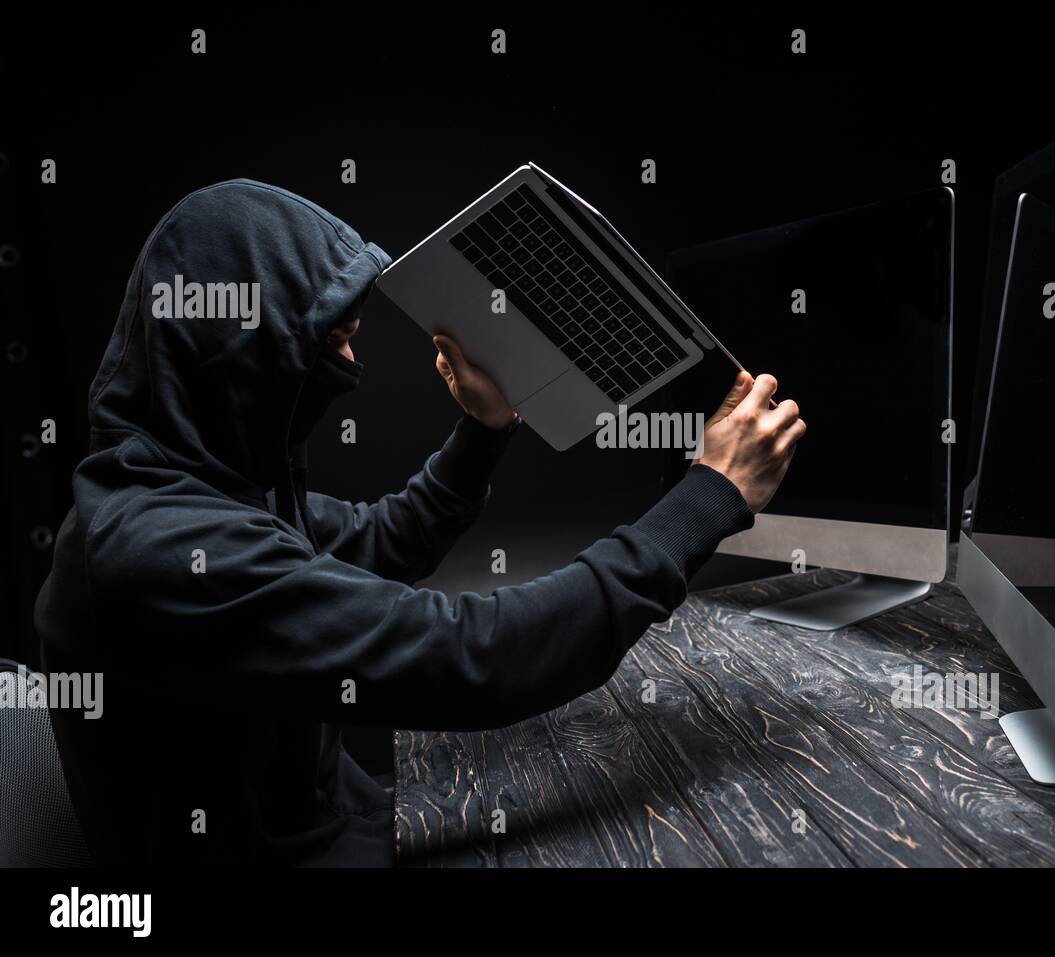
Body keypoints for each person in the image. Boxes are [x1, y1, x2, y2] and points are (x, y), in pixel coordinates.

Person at [35, 180, 805, 866]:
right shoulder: (158, 551)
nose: (352, 349)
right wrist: (710, 492)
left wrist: (484, 427)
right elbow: (475, 656)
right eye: (331, 330)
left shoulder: (209, 486)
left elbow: (377, 543)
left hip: (335, 815)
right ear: (235, 342)